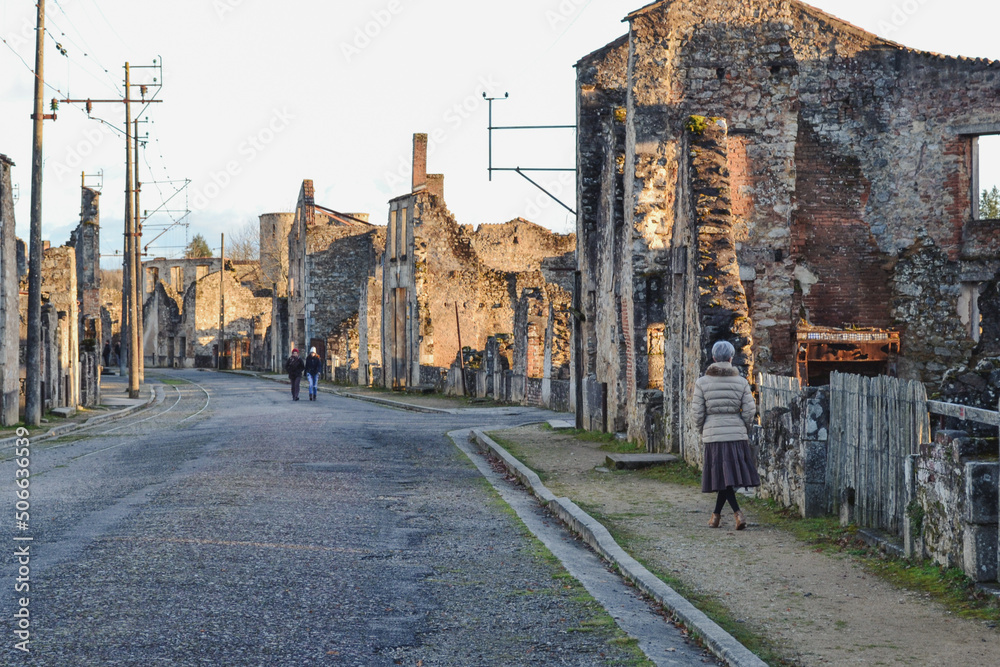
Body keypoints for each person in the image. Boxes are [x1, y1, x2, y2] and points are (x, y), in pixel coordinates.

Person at [692, 340, 760, 530]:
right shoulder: (741, 382)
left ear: (714, 358)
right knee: (728, 477)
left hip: (714, 435)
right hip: (735, 434)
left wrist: (702, 430)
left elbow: (697, 413)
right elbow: (749, 411)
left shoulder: (702, 383)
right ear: (731, 358)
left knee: (724, 477)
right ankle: (717, 516)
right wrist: (743, 428)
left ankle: (734, 514)